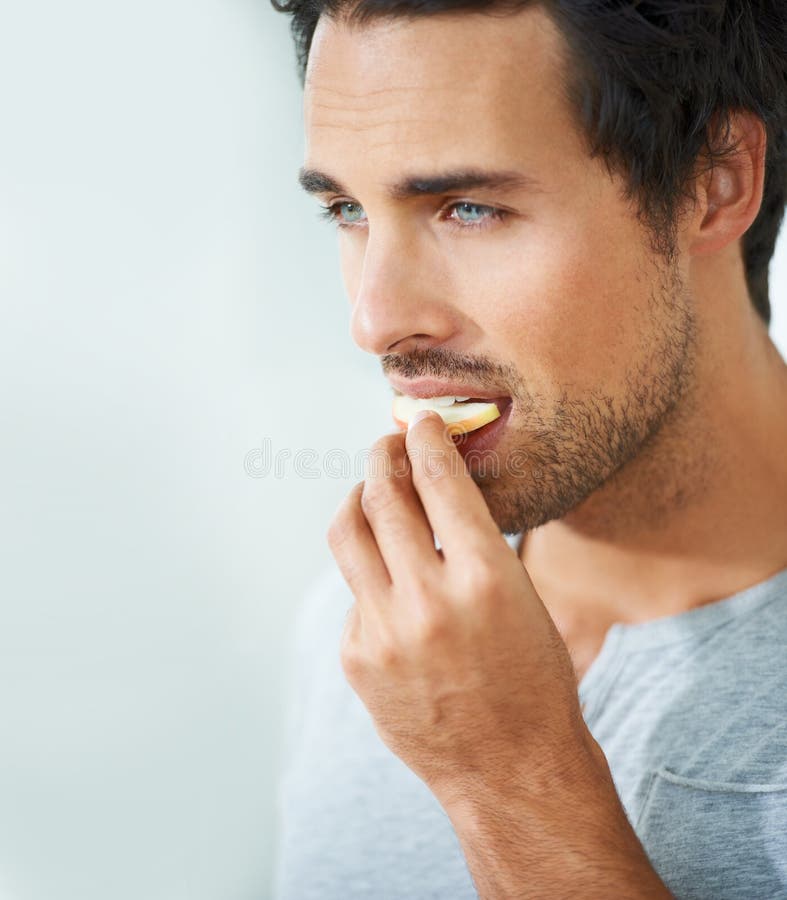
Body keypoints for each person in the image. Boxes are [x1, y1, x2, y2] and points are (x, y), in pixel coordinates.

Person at [269, 1, 787, 897]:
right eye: (347, 209)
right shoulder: (370, 636)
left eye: (468, 208)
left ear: (715, 181)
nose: (376, 320)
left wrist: (506, 781)